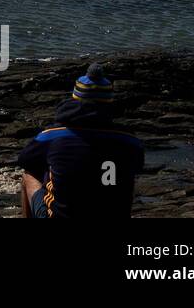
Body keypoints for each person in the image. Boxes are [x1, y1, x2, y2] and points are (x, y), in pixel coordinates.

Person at [18, 63, 144, 218]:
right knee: (125, 176)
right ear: (109, 104)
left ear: (74, 100)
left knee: (29, 175)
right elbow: (138, 166)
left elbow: (25, 160)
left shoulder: (54, 136)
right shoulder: (130, 141)